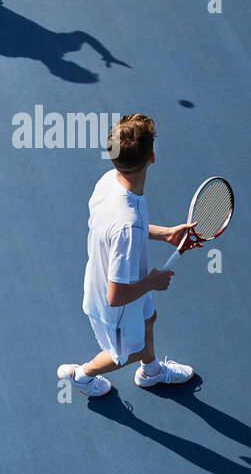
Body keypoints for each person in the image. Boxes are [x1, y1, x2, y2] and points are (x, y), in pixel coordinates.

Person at [58, 114, 203, 398]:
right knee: (127, 352)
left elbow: (117, 230)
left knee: (149, 317)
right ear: (152, 157)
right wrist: (153, 282)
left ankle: (152, 374)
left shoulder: (108, 183)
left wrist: (164, 233)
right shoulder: (129, 224)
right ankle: (82, 376)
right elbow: (116, 296)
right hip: (117, 302)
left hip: (128, 283)